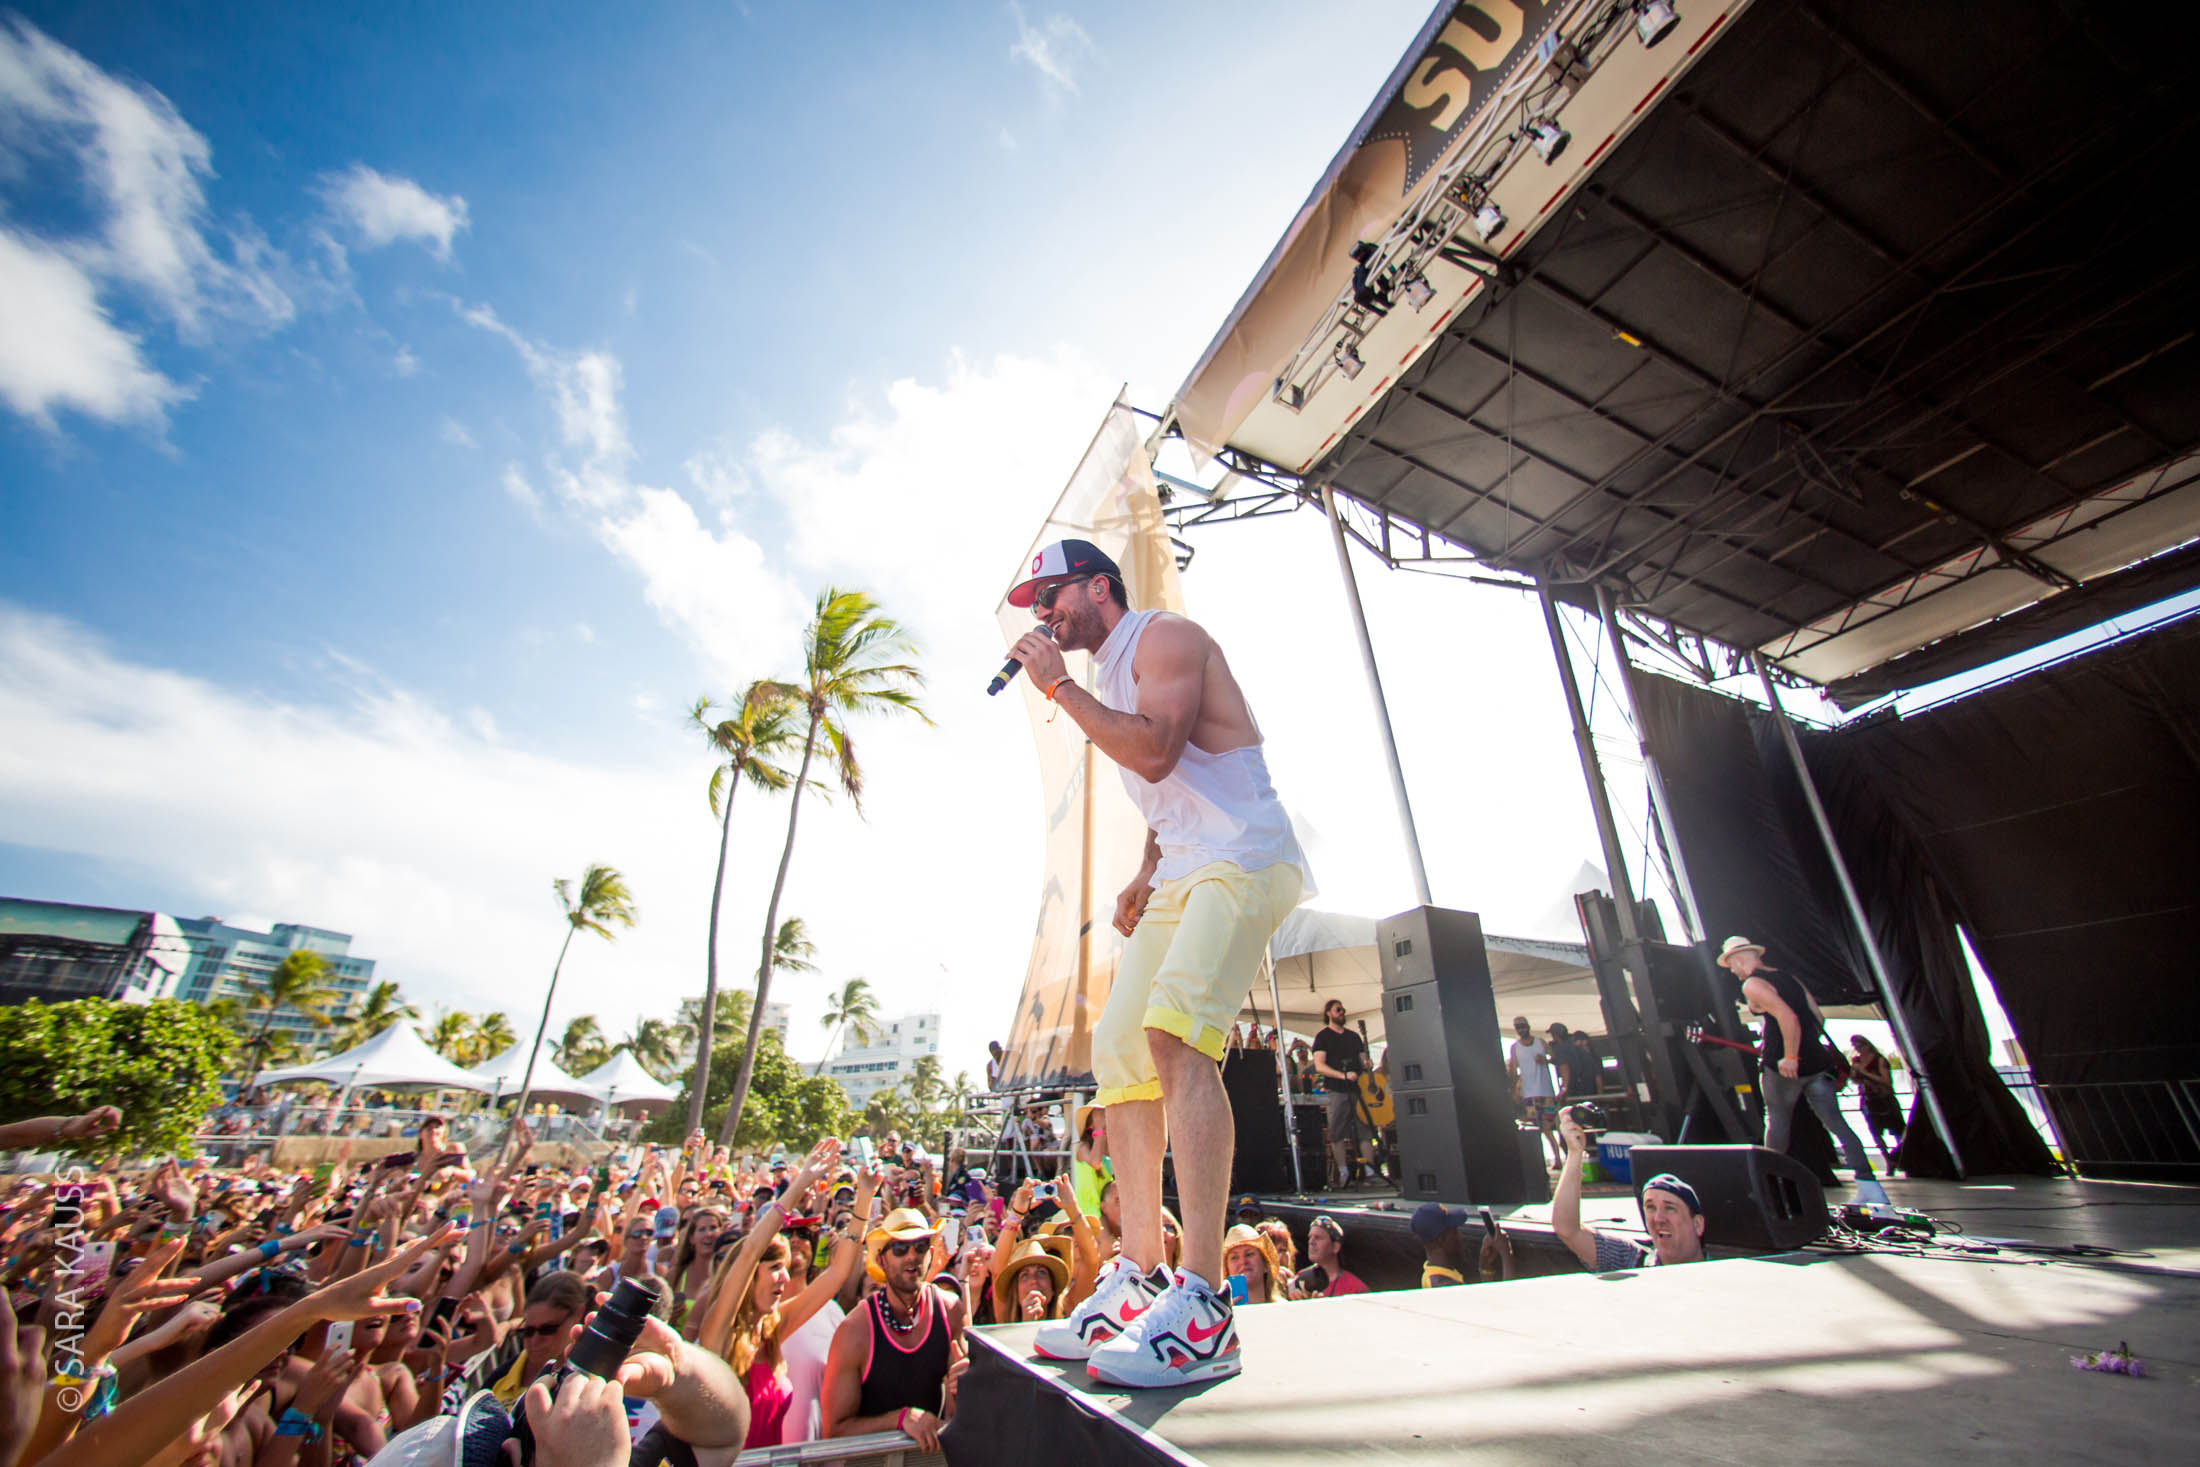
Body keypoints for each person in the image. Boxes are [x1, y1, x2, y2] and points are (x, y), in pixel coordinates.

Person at [1005, 537, 1311, 1389]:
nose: (1043, 614)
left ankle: (1207, 1301)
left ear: (1100, 587)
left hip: (1246, 855)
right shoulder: (1109, 676)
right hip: (1184, 864)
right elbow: (1164, 789)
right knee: (1117, 1051)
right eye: (1035, 605)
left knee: (1174, 1032)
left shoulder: (1167, 637)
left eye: (1053, 596)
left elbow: (1154, 751)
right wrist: (1144, 872)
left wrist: (1055, 687)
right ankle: (1137, 1275)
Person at [1719, 936, 1883, 1194]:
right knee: (1836, 1121)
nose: (1732, 971)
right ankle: (1868, 1182)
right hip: (1817, 1061)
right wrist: (1806, 1047)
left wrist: (1790, 1056)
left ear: (1739, 959)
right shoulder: (1789, 978)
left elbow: (1788, 1017)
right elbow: (1816, 1016)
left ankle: (1769, 1185)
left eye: (1732, 965)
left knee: (1776, 1124)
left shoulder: (1753, 984)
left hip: (1783, 1065)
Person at [818, 1207, 966, 1453]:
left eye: (919, 1247)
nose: (912, 1256)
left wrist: (966, 1386)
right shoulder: (855, 1331)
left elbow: (955, 1416)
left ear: (930, 1254)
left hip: (928, 1459)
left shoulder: (950, 1310)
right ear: (881, 1260)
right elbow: (834, 1430)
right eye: (900, 1248)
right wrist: (900, 1420)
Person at [1552, 1105, 1707, 1270]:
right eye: (1651, 1208)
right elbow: (1567, 1230)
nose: (1659, 1218)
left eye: (1670, 1208)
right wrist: (1575, 1153)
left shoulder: (1729, 1270)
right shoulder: (1631, 1260)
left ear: (1697, 1224)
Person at [1308, 998, 1369, 1189]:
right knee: (1336, 1133)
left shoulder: (1353, 1037)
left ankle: (1370, 1171)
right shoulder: (1322, 1037)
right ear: (1329, 1013)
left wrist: (1366, 1064)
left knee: (1365, 1132)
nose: (1342, 1012)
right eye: (1338, 1010)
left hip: (1357, 1090)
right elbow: (1319, 1065)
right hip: (1336, 1090)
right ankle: (1343, 1172)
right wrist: (1342, 1075)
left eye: (1343, 1009)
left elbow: (1362, 1059)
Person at [1507, 1017, 1562, 1167]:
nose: (1521, 1029)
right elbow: (1513, 1069)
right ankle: (1546, 1159)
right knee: (1538, 1127)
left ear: (1528, 1026)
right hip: (1530, 1093)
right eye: (1518, 1027)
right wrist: (1515, 1090)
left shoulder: (1540, 1042)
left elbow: (1555, 1057)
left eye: (1523, 1026)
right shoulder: (1515, 1047)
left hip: (1546, 1091)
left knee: (1549, 1125)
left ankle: (1556, 1157)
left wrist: (1546, 1059)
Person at [1849, 1034, 1906, 1169]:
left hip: (1883, 1098)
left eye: (1860, 1045)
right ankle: (1888, 1160)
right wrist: (1856, 1073)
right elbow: (1854, 1079)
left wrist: (1864, 1072)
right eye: (1855, 1046)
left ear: (1867, 1045)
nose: (1858, 1049)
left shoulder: (1879, 1060)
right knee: (1875, 1132)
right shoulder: (1857, 1061)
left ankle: (1901, 1156)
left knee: (1897, 1129)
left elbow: (1886, 1081)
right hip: (1868, 1099)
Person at [1292, 1215, 1370, 1298]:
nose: (1311, 1242)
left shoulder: (1356, 1288)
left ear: (1336, 1247)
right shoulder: (1301, 1278)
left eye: (1318, 1238)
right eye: (1310, 1237)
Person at [1219, 1225, 1288, 1305]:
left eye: (1249, 1254)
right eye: (1234, 1258)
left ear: (1265, 1265)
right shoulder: (1219, 1315)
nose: (1243, 1262)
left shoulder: (1284, 1309)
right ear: (1227, 1270)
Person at [1409, 1204, 1472, 1287]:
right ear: (1441, 1239)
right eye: (1455, 1231)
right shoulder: (1444, 1285)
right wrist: (1487, 1270)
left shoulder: (1429, 1270)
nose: (1460, 1236)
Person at [1545, 1022, 1596, 1101]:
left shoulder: (1560, 1049)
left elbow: (1564, 1066)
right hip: (1589, 1085)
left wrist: (1564, 1088)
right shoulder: (1576, 1047)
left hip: (1574, 1088)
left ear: (1555, 1036)